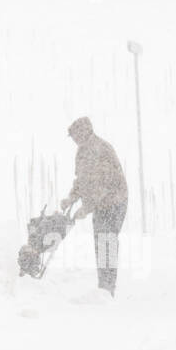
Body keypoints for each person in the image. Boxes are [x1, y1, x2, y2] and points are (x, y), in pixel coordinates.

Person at [59, 116, 129, 296]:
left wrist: (86, 208)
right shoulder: (82, 152)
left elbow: (103, 184)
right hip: (100, 204)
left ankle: (107, 288)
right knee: (100, 242)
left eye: (75, 135)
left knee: (107, 241)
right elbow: (82, 181)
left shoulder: (101, 149)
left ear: (83, 133)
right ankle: (104, 287)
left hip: (114, 201)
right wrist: (71, 199)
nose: (73, 139)